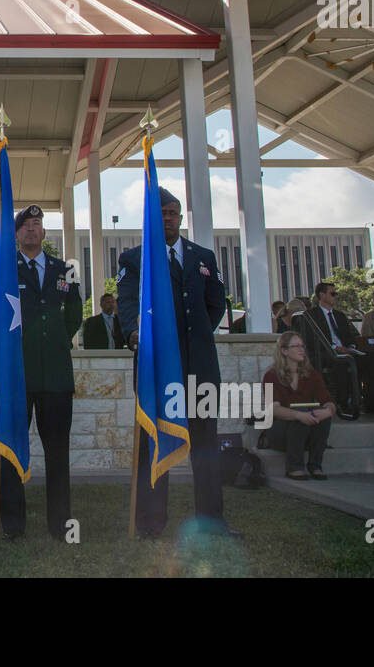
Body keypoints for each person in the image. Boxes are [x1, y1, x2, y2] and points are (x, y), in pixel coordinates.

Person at [117, 186, 237, 538]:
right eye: (161, 214)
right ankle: (151, 523)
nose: (167, 219)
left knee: (205, 445)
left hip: (200, 366)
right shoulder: (135, 259)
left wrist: (195, 335)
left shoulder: (202, 256)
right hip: (158, 368)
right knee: (153, 442)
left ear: (180, 217)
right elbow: (127, 304)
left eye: (172, 213)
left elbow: (217, 304)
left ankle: (212, 522)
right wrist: (135, 334)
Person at [1, 204, 81, 540]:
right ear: (16, 234)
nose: (32, 229)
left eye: (37, 224)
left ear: (44, 232)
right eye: (25, 225)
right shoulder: (5, 271)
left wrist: (55, 342)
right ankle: (13, 525)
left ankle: (60, 524)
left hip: (56, 375)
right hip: (18, 375)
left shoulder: (66, 270)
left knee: (58, 451)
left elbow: (74, 314)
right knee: (11, 450)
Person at [262, 331, 336, 480]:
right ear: (284, 350)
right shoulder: (271, 375)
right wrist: (298, 415)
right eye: (296, 346)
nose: (302, 349)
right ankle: (294, 467)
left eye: (302, 346)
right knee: (300, 413)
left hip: (307, 430)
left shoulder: (312, 375)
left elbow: (329, 402)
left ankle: (315, 465)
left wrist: (328, 412)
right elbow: (274, 409)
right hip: (280, 431)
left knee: (321, 413)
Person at [294, 282, 362, 419]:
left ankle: (366, 402)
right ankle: (343, 404)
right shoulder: (310, 316)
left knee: (370, 361)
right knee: (341, 363)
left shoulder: (340, 316)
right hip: (324, 353)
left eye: (336, 294)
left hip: (345, 352)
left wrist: (351, 348)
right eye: (332, 293)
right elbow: (311, 340)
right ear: (321, 295)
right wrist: (335, 348)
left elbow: (350, 336)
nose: (336, 297)